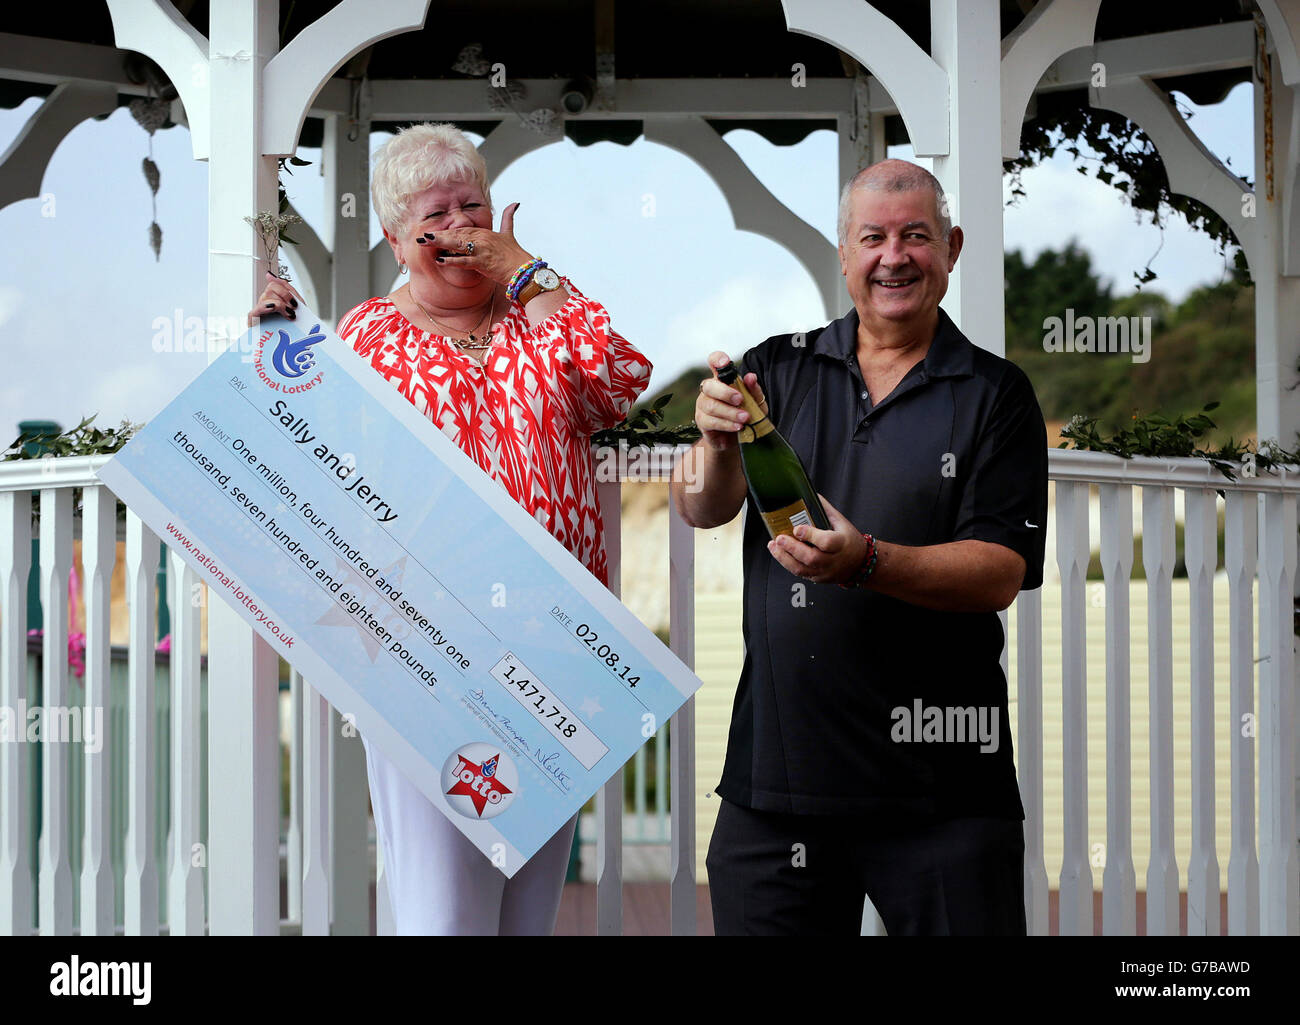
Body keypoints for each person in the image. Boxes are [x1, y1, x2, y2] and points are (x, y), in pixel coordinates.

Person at [249, 122, 652, 935]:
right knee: (442, 912)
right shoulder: (365, 337)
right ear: (398, 239)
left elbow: (618, 381)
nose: (460, 229)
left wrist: (528, 272)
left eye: (473, 208)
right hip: (426, 654)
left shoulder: (540, 319)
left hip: (554, 652)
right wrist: (270, 344)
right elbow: (294, 450)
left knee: (527, 911)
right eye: (435, 218)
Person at [670, 158, 1048, 936]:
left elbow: (999, 571)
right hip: (777, 790)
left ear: (953, 248)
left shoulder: (996, 393)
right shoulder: (776, 366)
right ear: (843, 255)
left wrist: (866, 559)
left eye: (917, 235)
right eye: (872, 237)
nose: (894, 256)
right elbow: (703, 508)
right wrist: (711, 440)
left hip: (945, 795)